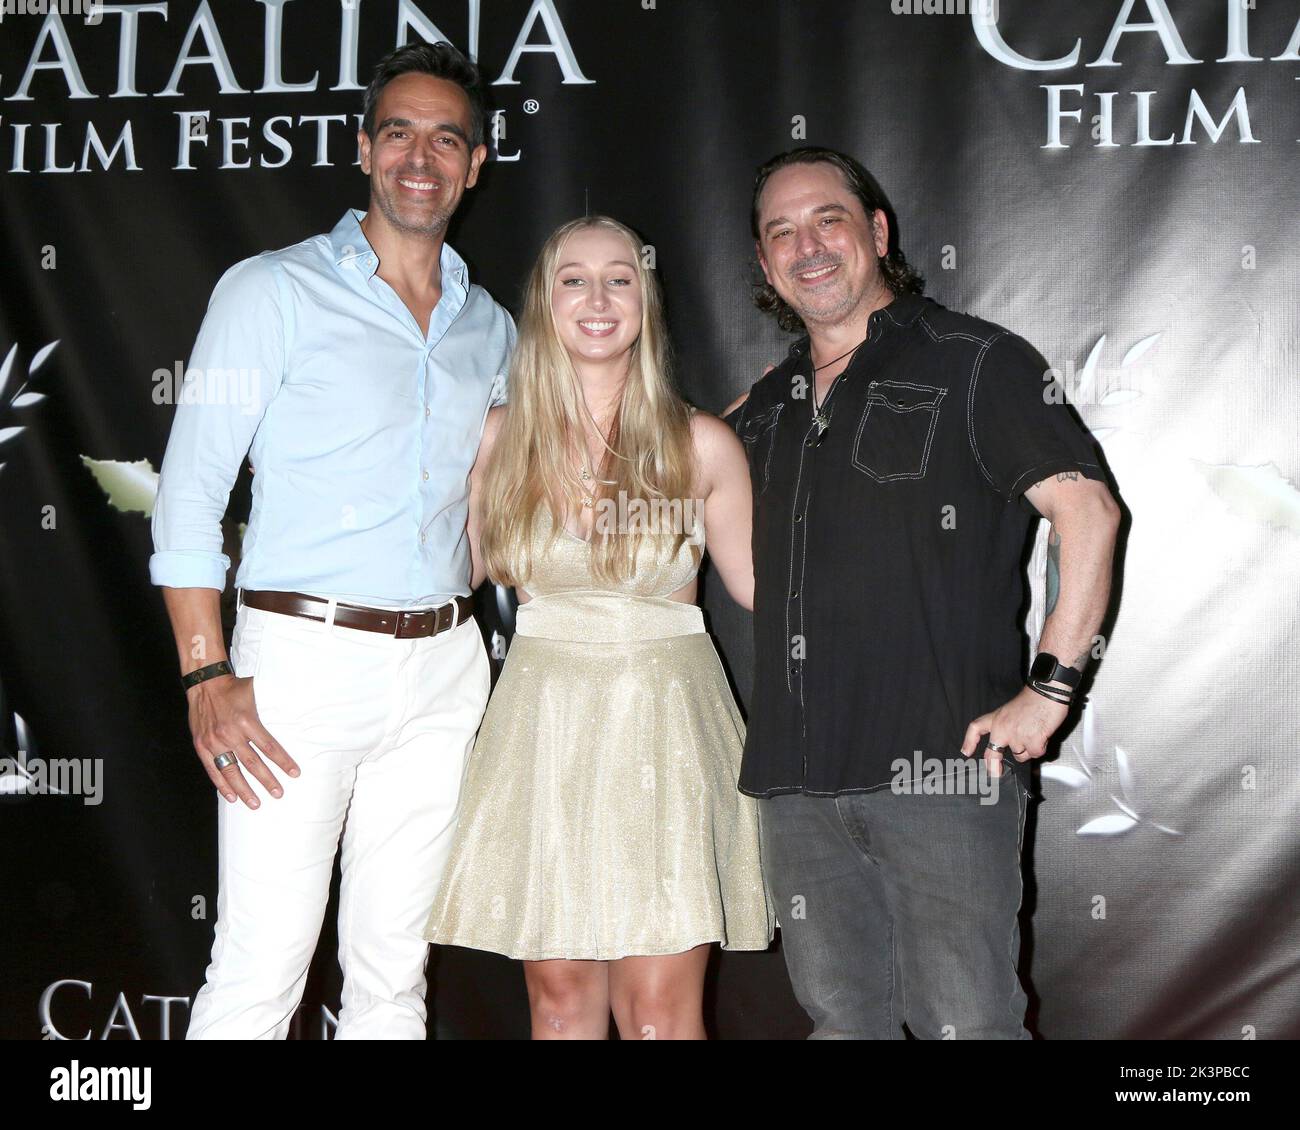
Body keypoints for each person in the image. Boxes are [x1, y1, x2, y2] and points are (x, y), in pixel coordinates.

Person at [149, 42, 515, 1039]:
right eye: (398, 131)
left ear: (475, 165)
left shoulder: (493, 329)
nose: (420, 157)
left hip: (443, 668)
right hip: (296, 667)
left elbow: (492, 504)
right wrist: (202, 672)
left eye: (448, 137)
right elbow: (187, 495)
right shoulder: (268, 291)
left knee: (394, 974)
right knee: (262, 968)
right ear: (362, 147)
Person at [724, 146, 1121, 1039]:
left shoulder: (977, 360)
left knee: (969, 1025)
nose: (807, 246)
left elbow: (1088, 512)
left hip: (943, 771)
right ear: (762, 262)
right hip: (796, 784)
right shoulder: (762, 408)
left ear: (876, 231)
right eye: (780, 232)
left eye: (828, 219)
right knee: (843, 1025)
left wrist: (1051, 689)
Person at [424, 215, 774, 1040]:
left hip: (666, 726)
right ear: (544, 304)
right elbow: (448, 575)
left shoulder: (703, 444)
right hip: (543, 726)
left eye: (620, 277)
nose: (598, 296)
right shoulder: (497, 440)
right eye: (573, 278)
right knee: (559, 1003)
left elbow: (764, 589)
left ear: (645, 302)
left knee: (658, 1012)